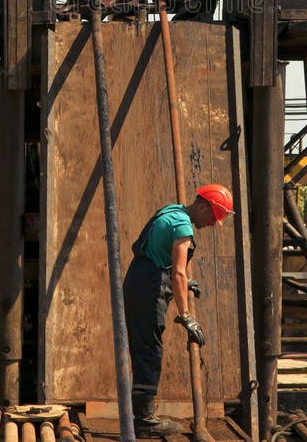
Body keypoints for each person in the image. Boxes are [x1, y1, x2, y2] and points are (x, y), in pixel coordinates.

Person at [123, 184, 234, 437]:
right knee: (149, 351)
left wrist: (179, 284)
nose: (209, 224)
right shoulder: (183, 227)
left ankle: (142, 414)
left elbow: (159, 257)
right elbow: (179, 272)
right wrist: (187, 317)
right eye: (212, 218)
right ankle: (143, 420)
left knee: (145, 348)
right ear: (203, 206)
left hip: (141, 279)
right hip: (146, 289)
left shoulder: (172, 211)